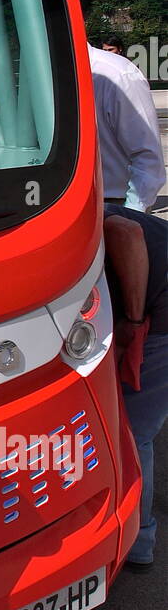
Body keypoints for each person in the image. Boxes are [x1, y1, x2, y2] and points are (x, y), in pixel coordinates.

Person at [104, 206, 168, 570]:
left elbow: (127, 233)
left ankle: (140, 542)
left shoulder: (86, 217)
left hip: (161, 308)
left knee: (135, 429)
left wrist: (133, 318)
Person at [87, 43, 165, 210]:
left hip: (114, 202)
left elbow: (147, 156)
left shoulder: (116, 73)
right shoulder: (43, 73)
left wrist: (131, 213)